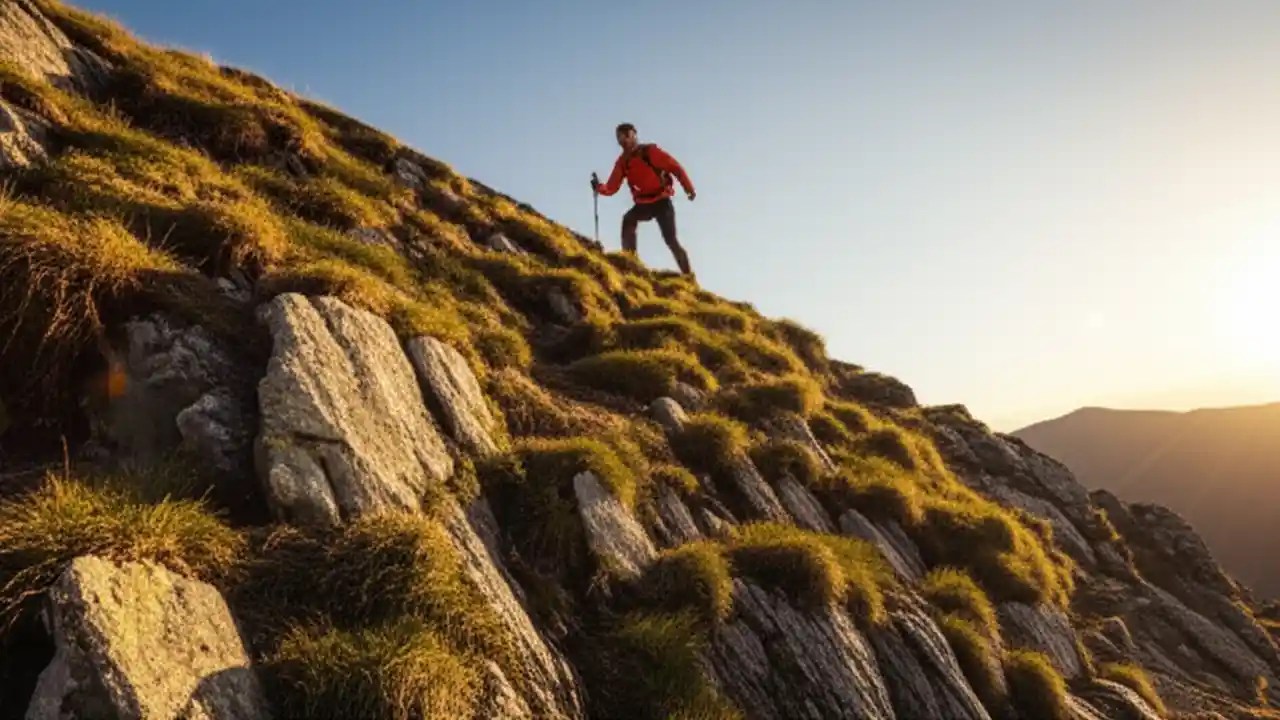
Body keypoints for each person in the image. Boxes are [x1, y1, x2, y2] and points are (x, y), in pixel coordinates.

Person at [592, 123, 697, 275]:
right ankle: (630, 263)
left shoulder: (650, 152)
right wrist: (598, 187)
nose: (623, 140)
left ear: (634, 135)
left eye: (626, 136)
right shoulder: (622, 162)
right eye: (619, 138)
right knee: (628, 220)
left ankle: (688, 276)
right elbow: (612, 187)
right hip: (644, 204)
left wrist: (689, 188)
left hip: (662, 201)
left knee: (671, 240)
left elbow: (675, 168)